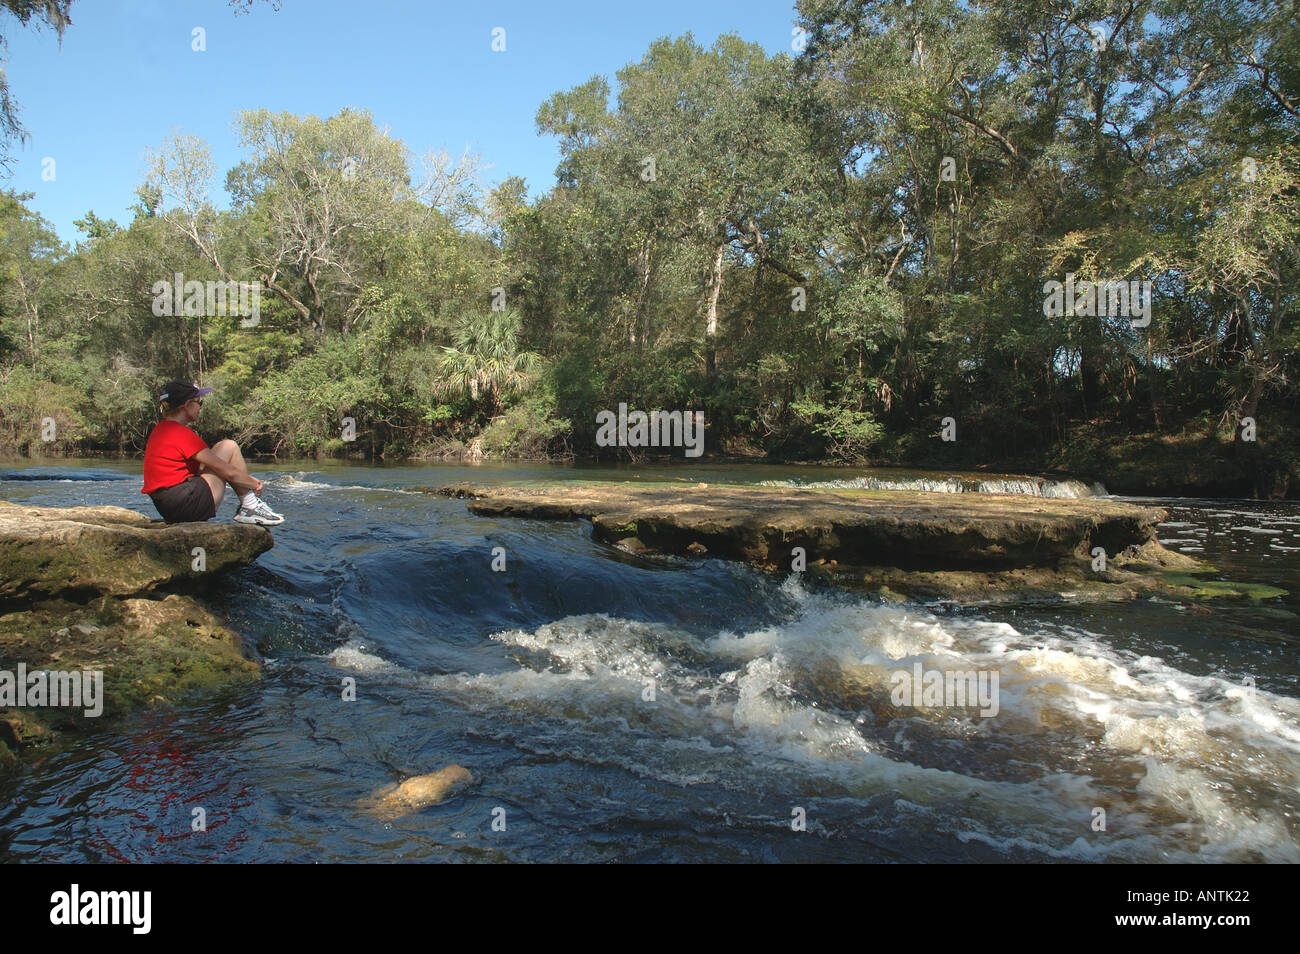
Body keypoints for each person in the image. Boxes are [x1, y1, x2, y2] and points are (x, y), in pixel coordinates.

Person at [141, 379, 284, 526]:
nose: (200, 408)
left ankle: (249, 506)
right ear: (186, 404)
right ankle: (250, 506)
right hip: (185, 505)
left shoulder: (160, 430)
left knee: (220, 449)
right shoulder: (180, 433)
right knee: (229, 446)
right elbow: (226, 471)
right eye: (199, 402)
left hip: (167, 506)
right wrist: (253, 483)